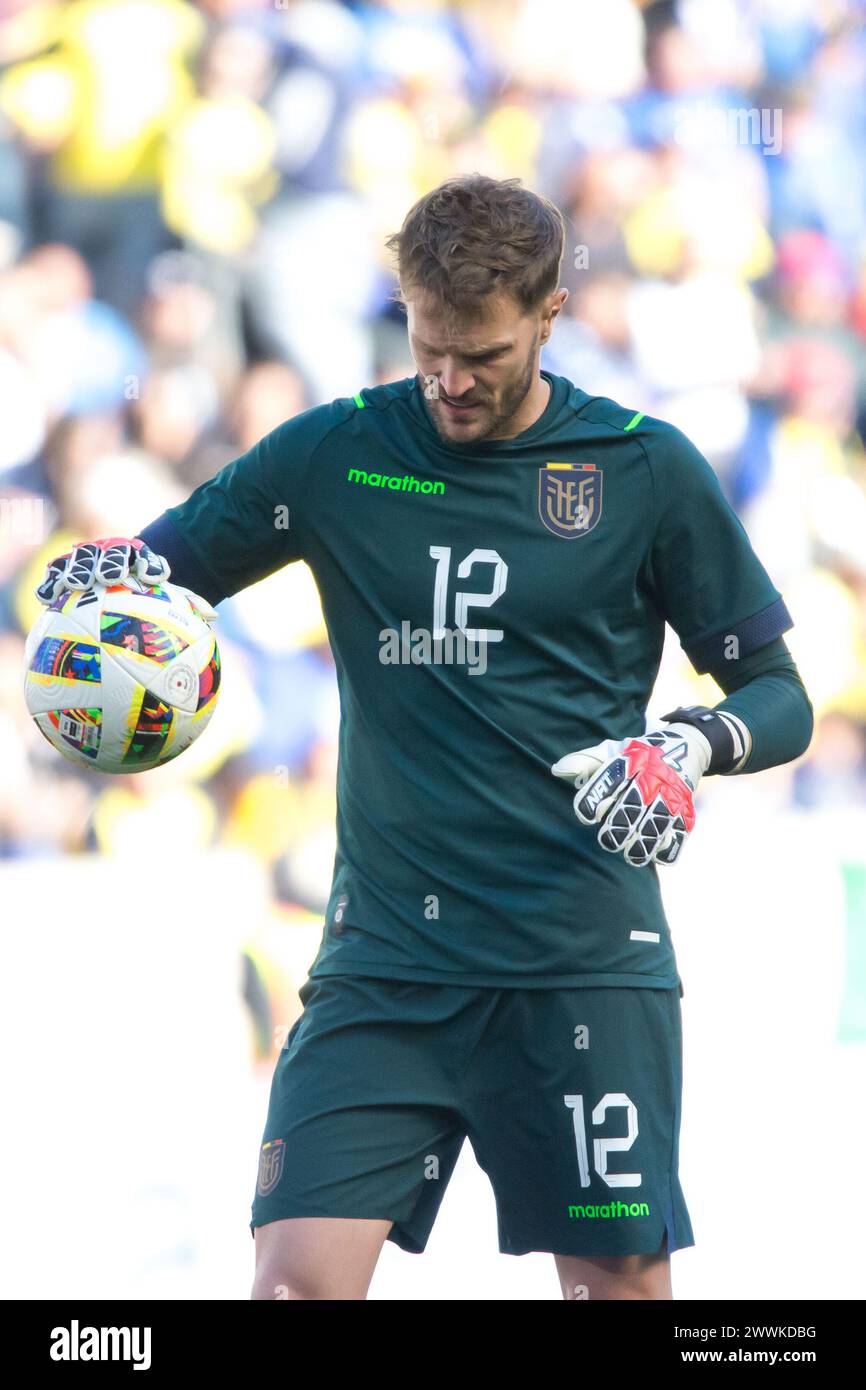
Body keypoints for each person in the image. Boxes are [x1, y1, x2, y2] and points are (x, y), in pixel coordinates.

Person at [36, 175, 814, 1301]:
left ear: (548, 316)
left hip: (579, 966)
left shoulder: (644, 469)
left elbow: (778, 692)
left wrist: (692, 743)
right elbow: (160, 572)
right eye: (427, 345)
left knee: (618, 1298)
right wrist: (109, 588)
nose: (448, 380)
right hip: (385, 968)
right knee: (293, 1288)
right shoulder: (332, 457)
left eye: (481, 354)